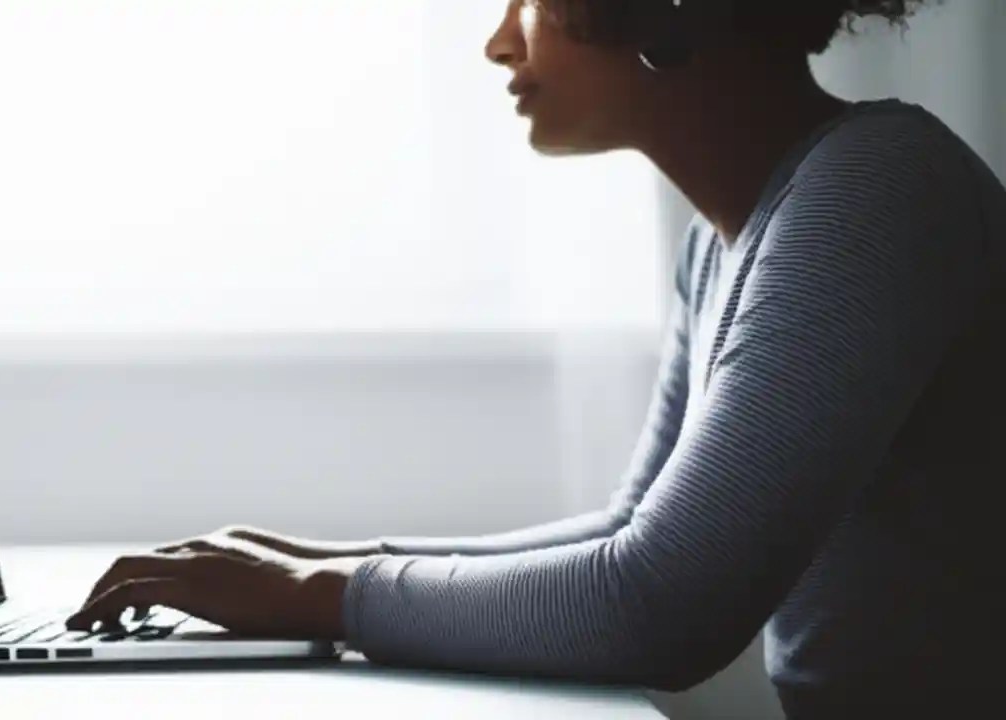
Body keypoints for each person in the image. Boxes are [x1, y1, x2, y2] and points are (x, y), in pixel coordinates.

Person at [67, 1, 1006, 715]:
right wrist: (324, 561)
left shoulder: (876, 188)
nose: (500, 44)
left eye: (528, 0)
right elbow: (632, 528)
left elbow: (659, 607)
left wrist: (321, 595)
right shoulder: (725, 238)